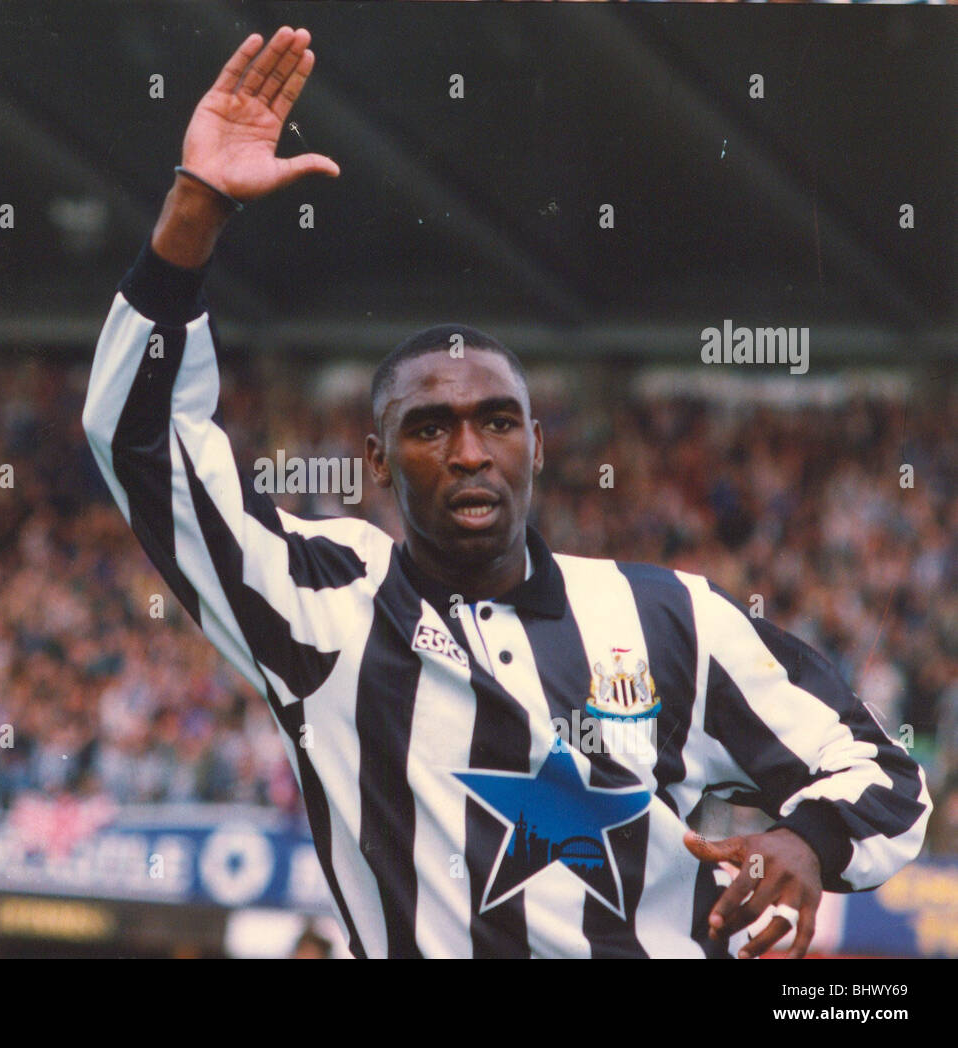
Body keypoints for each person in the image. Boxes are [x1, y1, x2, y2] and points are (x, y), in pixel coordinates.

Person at [82, 26, 931, 958]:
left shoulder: (667, 617)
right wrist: (194, 209)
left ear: (537, 444)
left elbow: (883, 768)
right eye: (430, 428)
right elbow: (141, 443)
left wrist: (806, 841)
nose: (470, 452)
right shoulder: (321, 606)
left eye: (496, 421)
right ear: (378, 460)